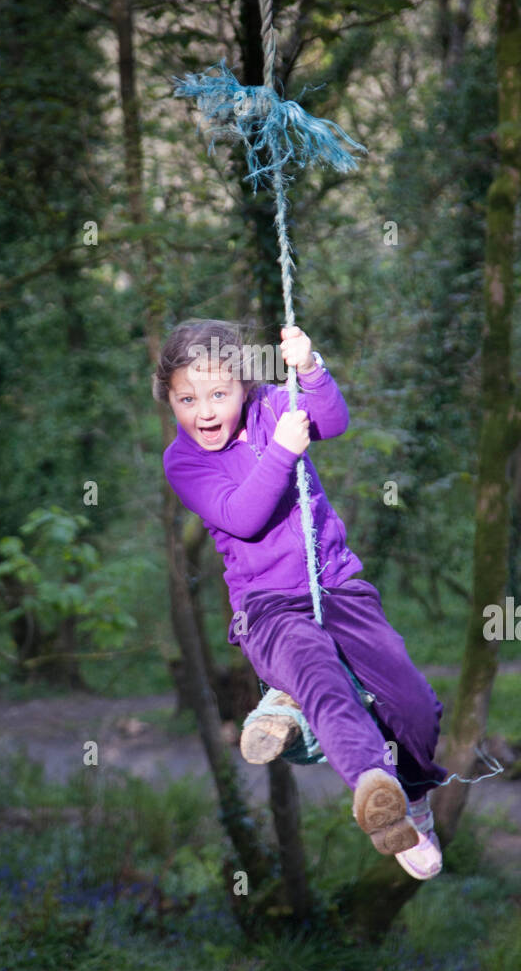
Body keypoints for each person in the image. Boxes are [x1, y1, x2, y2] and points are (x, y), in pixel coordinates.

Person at [153, 317, 446, 879]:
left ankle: (411, 797)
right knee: (320, 676)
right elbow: (242, 515)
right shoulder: (183, 461)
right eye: (187, 398)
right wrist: (283, 453)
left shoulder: (270, 407)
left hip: (336, 582)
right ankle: (373, 792)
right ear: (169, 398)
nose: (205, 411)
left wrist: (309, 368)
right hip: (268, 609)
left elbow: (333, 421)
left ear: (244, 384)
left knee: (415, 705)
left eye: (219, 393)